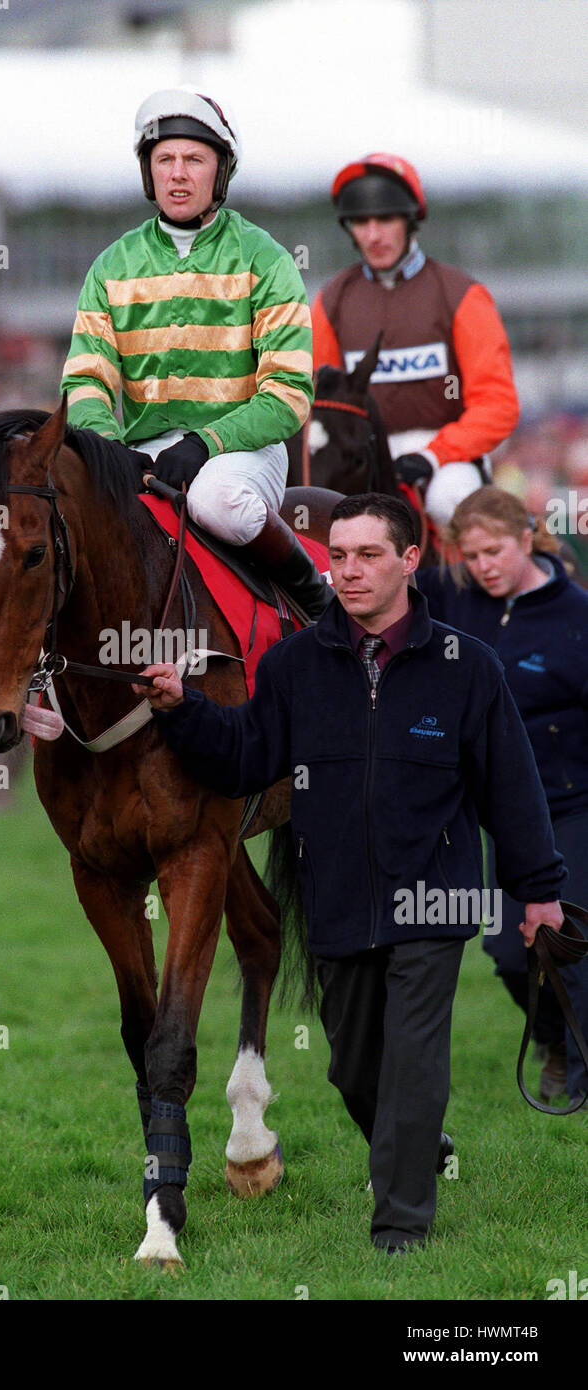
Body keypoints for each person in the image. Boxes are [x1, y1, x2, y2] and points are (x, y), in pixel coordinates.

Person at [134, 492, 565, 1253]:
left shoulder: (467, 667)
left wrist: (537, 894)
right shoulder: (296, 664)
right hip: (334, 898)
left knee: (412, 1060)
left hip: (433, 899)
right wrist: (180, 709)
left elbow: (513, 789)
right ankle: (414, 1149)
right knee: (352, 1068)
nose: (348, 571)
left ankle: (399, 1225)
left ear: (407, 560)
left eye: (367, 555)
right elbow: (244, 756)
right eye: (336, 557)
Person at [60, 85, 330, 618]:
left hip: (242, 456)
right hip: (140, 455)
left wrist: (208, 442)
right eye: (164, 160)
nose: (178, 174)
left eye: (194, 159)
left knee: (217, 503)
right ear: (149, 173)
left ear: (219, 173)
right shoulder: (111, 266)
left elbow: (289, 393)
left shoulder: (267, 260)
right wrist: (111, 450)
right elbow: (85, 384)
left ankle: (317, 604)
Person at [417, 485, 588, 1105]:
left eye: (494, 551)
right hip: (492, 810)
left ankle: (575, 1071)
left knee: (566, 942)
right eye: (470, 555)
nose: (482, 566)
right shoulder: (452, 596)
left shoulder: (577, 618)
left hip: (570, 802)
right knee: (506, 952)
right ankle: (550, 1039)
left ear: (525, 538)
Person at [311, 153, 520, 528]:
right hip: (360, 451)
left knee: (448, 503)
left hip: (448, 455)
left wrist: (434, 455)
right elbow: (316, 401)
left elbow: (498, 405)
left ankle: (470, 586)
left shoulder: (462, 294)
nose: (373, 235)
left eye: (386, 219)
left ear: (410, 221)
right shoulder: (331, 300)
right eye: (360, 222)